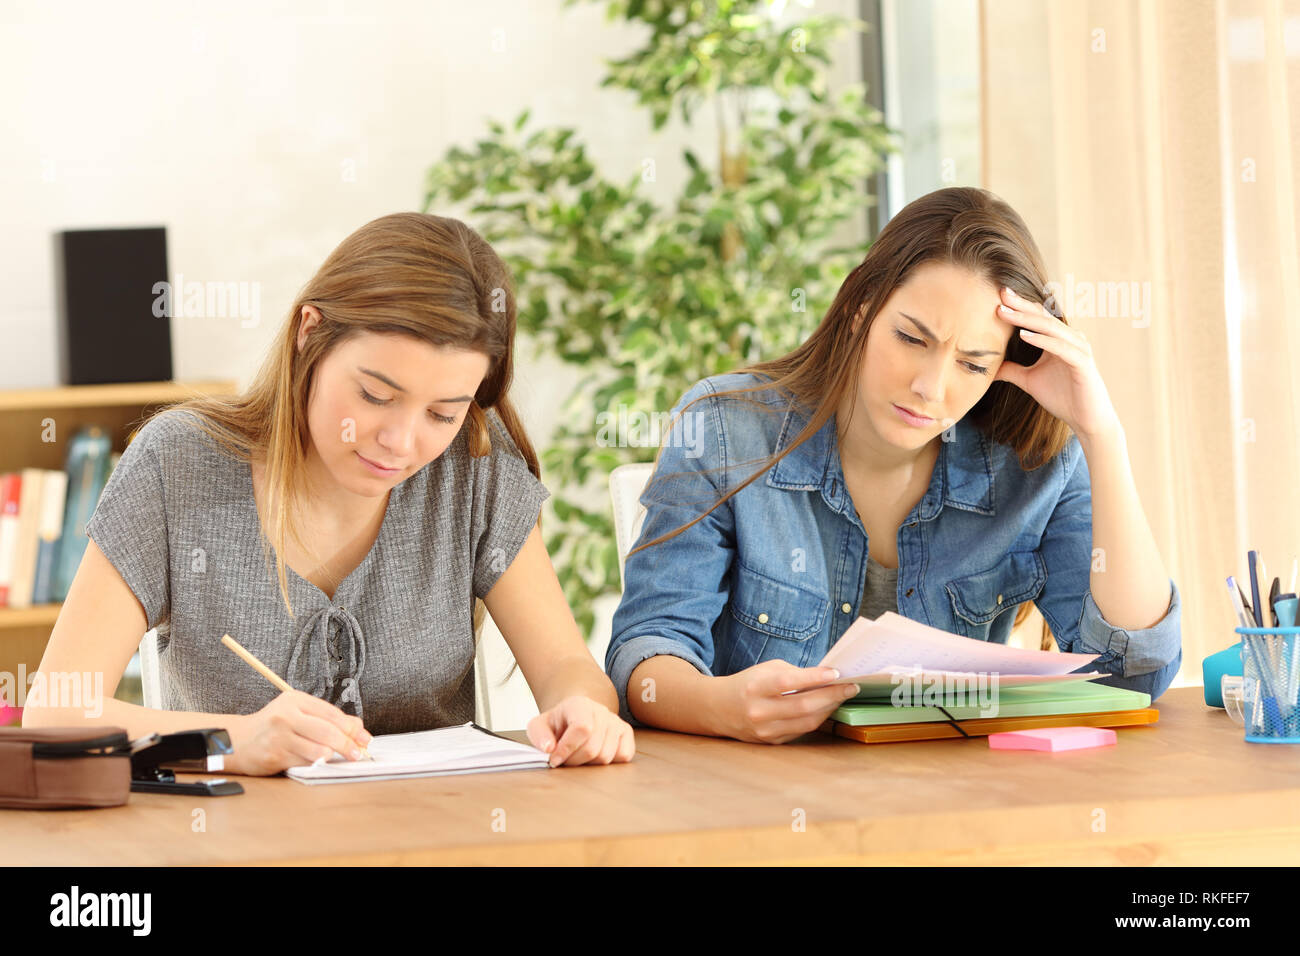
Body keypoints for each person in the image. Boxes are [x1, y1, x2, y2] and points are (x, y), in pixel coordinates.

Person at [25, 212, 634, 773]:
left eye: (442, 414)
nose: (400, 442)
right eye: (375, 395)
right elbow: (57, 714)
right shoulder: (177, 465)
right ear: (308, 332)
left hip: (435, 837)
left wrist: (582, 710)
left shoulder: (474, 464)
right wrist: (233, 740)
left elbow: (565, 668)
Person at [607, 186, 1182, 744]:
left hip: (946, 808)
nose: (930, 388)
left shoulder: (1032, 463)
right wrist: (724, 708)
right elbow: (646, 652)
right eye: (911, 338)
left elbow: (1134, 675)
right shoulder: (725, 429)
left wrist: (1102, 435)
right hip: (759, 808)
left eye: (974, 365)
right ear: (861, 308)